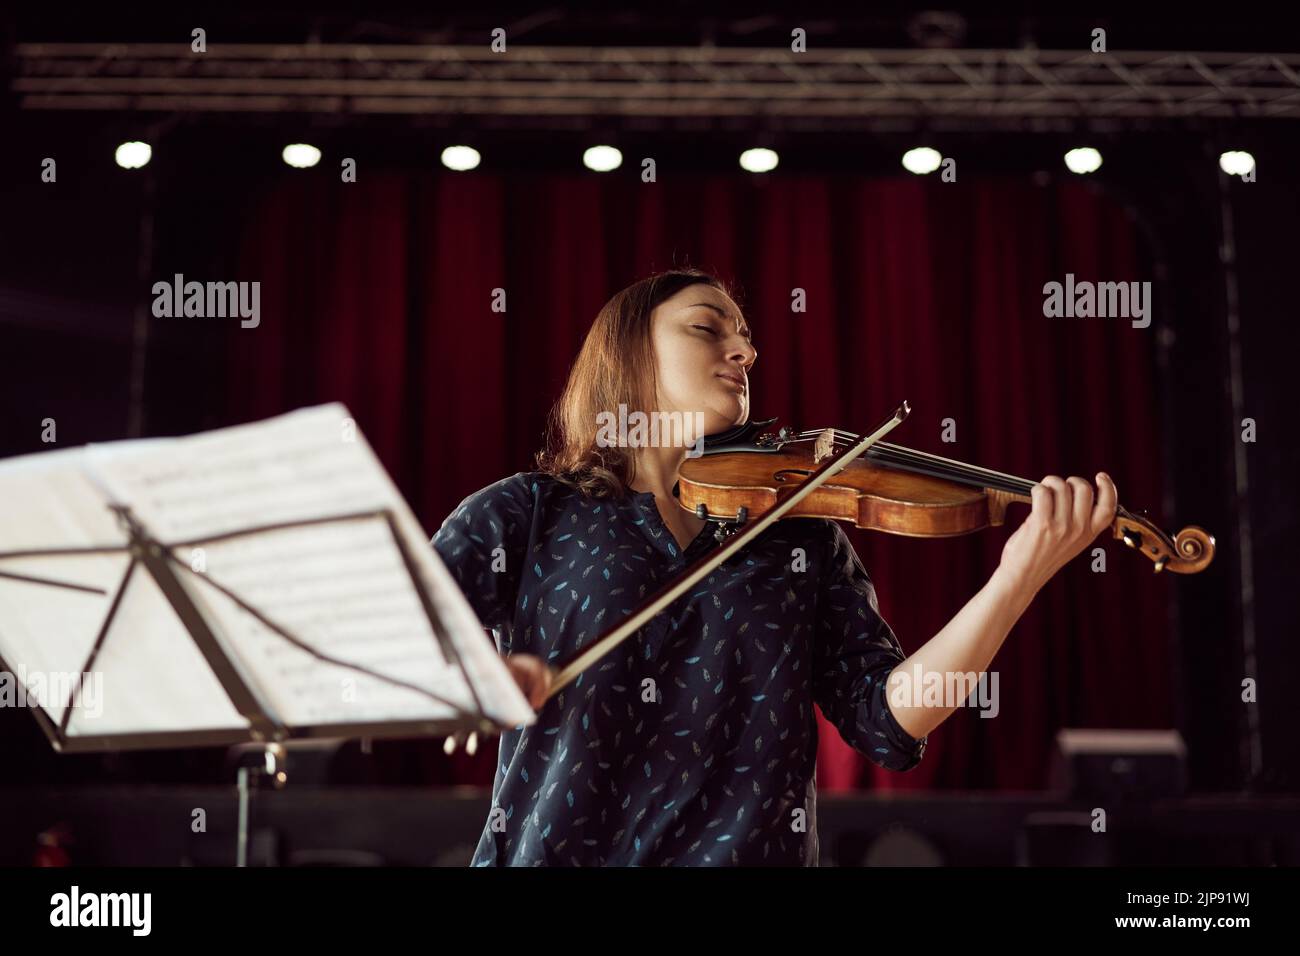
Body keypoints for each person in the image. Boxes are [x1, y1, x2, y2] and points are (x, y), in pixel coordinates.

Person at [431, 268, 1117, 866]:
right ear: (631, 352)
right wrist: (470, 674)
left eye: (747, 337)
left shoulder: (799, 536)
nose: (746, 350)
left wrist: (1015, 579)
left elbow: (890, 721)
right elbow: (394, 647)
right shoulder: (526, 514)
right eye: (709, 328)